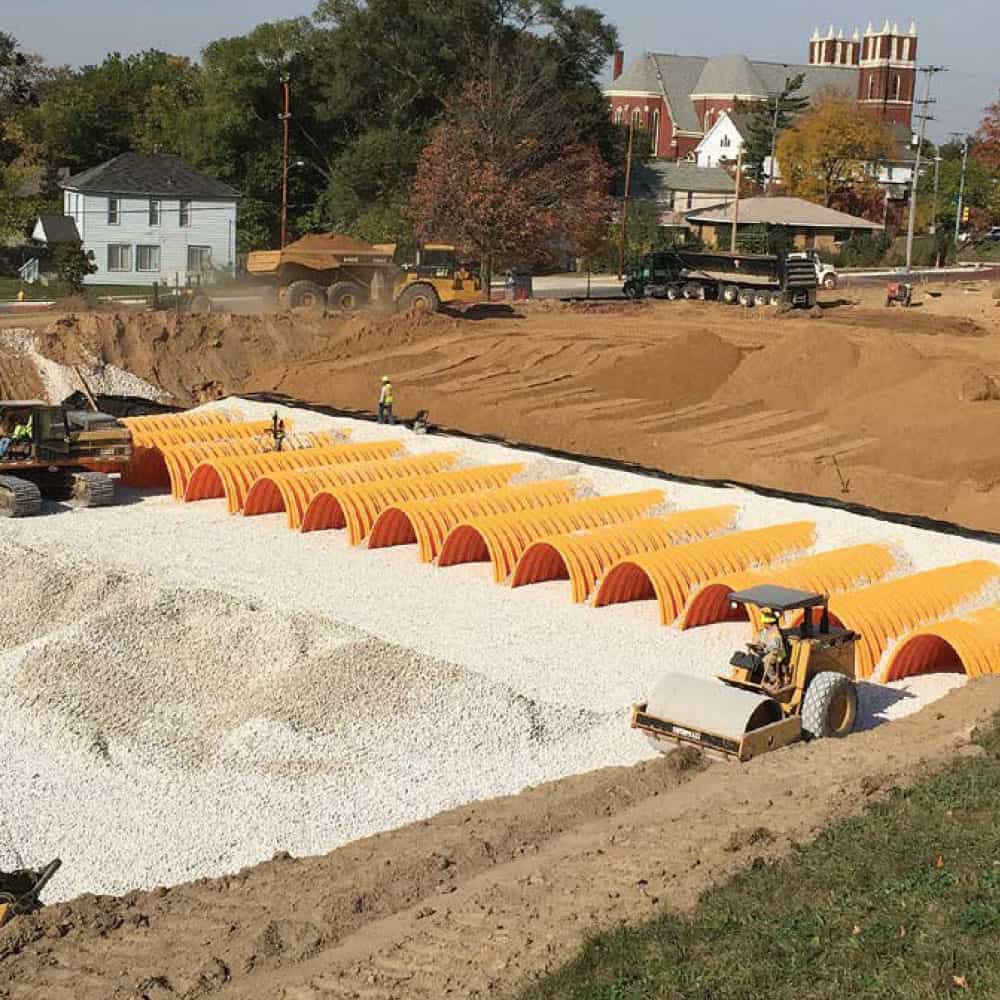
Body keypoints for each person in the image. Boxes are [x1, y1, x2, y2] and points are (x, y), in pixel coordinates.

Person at [755, 608, 788, 685]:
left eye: (765, 623)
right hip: (766, 650)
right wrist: (758, 644)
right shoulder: (765, 631)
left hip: (778, 653)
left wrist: (765, 647)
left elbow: (775, 646)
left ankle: (774, 679)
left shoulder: (775, 632)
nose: (763, 624)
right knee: (753, 656)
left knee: (767, 661)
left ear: (769, 623)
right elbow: (761, 639)